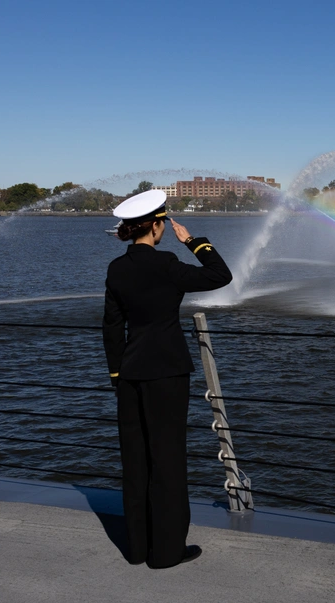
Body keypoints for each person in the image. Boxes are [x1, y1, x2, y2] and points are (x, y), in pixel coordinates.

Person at [102, 190, 232, 568]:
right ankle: (167, 551)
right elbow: (220, 276)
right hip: (167, 373)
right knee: (168, 460)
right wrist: (194, 241)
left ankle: (138, 548)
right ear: (158, 226)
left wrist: (116, 372)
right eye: (162, 224)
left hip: (128, 373)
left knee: (136, 460)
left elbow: (111, 326)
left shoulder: (117, 269)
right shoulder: (168, 264)